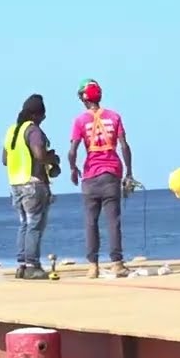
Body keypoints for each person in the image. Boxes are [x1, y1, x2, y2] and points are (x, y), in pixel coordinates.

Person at [67, 78, 134, 279]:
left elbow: (72, 151)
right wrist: (129, 172)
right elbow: (124, 145)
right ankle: (117, 263)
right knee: (113, 221)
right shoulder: (114, 117)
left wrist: (73, 168)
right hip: (111, 174)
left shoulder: (79, 121)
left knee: (90, 222)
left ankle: (92, 266)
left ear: (83, 98)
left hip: (89, 177)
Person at [2, 94, 56, 280]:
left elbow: (4, 159)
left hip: (16, 184)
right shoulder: (32, 131)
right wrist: (52, 159)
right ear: (35, 115)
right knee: (34, 225)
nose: (44, 118)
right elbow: (40, 155)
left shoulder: (11, 132)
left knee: (24, 224)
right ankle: (33, 265)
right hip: (33, 184)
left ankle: (22, 265)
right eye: (43, 114)